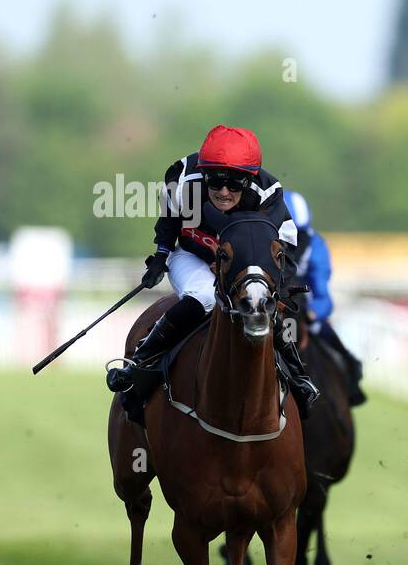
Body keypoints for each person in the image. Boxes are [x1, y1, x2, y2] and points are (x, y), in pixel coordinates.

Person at [105, 125, 319, 414]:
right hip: (192, 255)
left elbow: (287, 246)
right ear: (203, 173)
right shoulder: (181, 179)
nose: (223, 191)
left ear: (251, 178)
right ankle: (139, 362)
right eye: (215, 181)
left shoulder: (266, 195)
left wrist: (278, 286)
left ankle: (299, 377)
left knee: (261, 302)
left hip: (242, 264)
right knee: (205, 296)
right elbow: (169, 220)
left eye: (234, 183)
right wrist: (161, 254)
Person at [282, 191, 366, 407]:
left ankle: (348, 391)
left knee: (347, 360)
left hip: (302, 312)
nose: (292, 241)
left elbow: (324, 297)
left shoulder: (316, 246)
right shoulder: (260, 239)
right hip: (267, 308)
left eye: (297, 234)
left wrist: (312, 313)